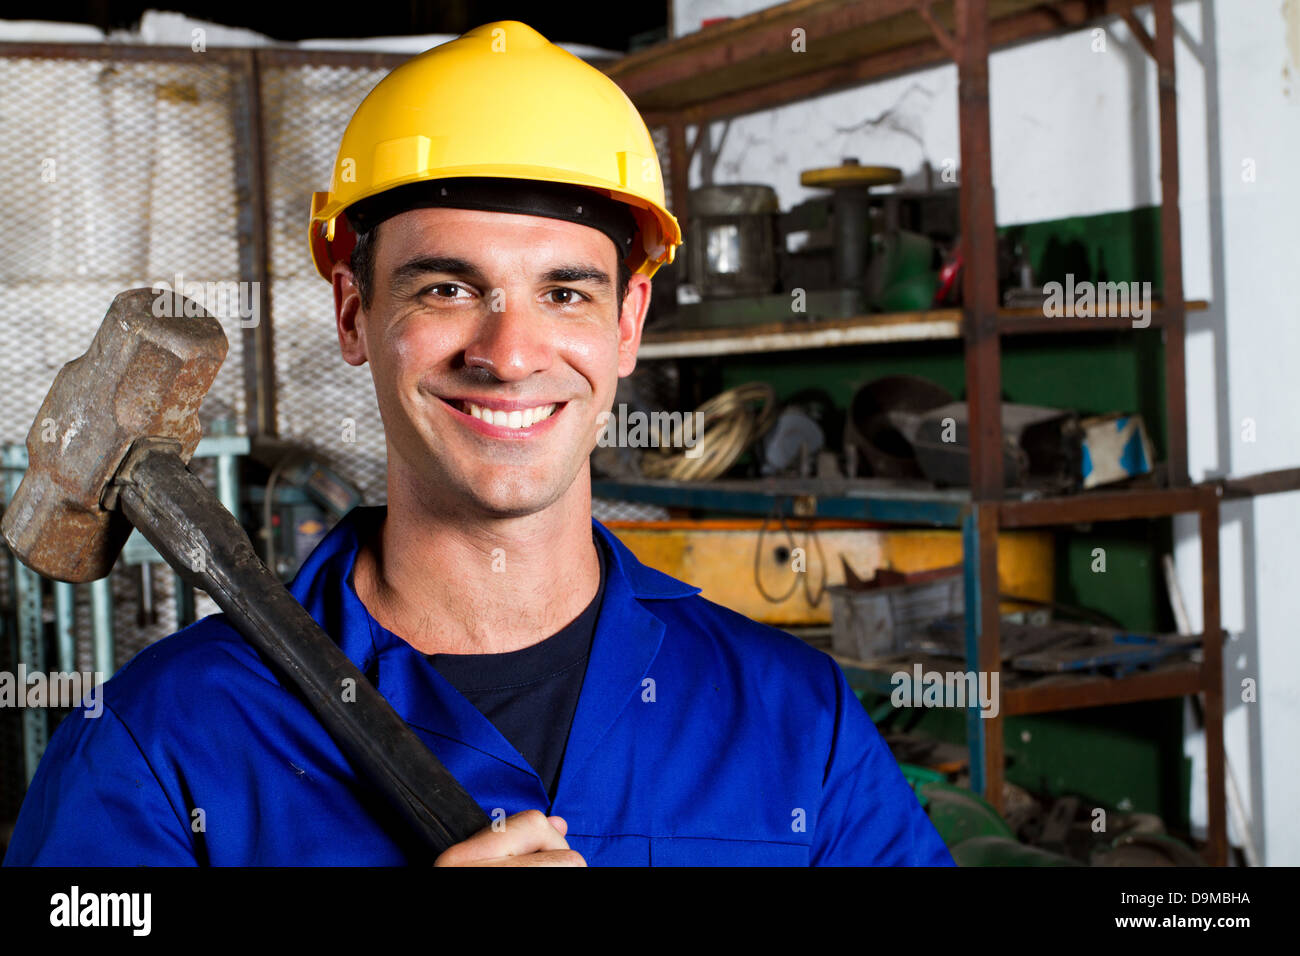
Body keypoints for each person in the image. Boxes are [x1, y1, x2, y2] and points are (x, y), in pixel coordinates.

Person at [5, 20, 952, 867]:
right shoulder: (160, 742)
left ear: (628, 323)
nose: (508, 355)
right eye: (446, 289)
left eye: (566, 293)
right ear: (352, 314)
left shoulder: (794, 721)